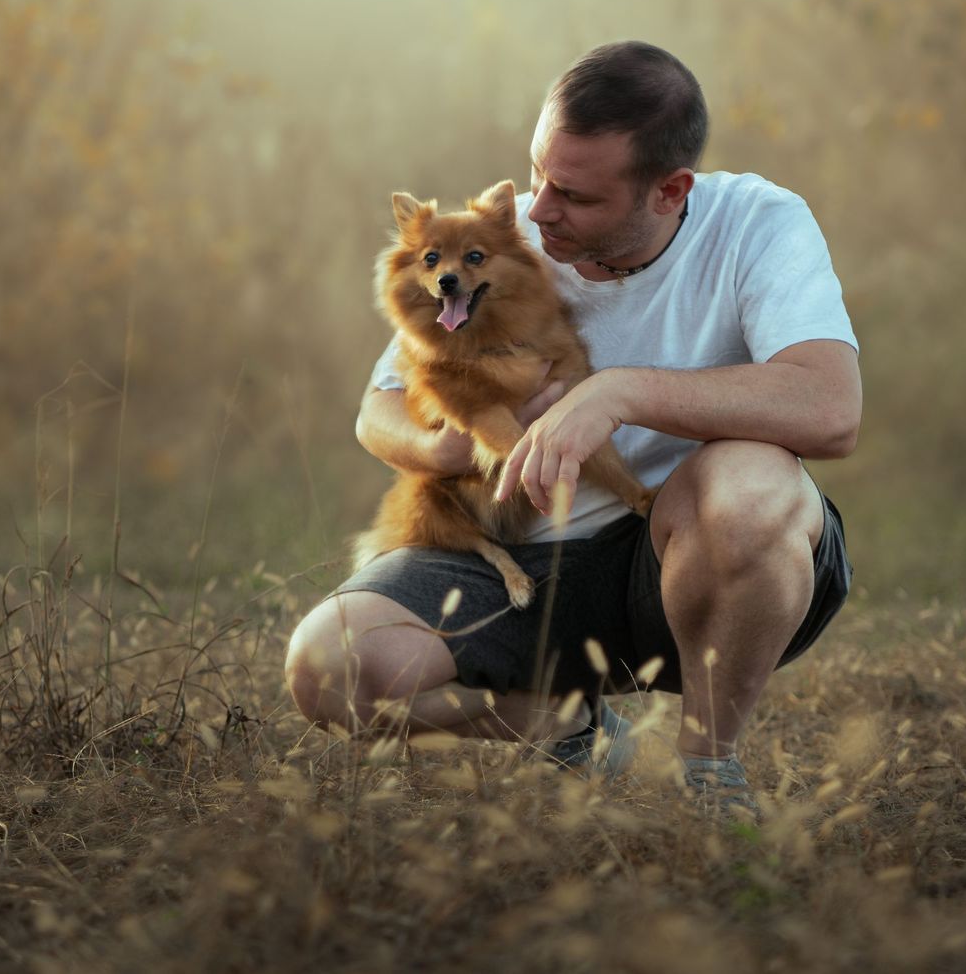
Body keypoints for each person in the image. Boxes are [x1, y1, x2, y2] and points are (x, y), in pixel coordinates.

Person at [284, 41, 861, 814]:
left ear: (670, 190)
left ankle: (708, 769)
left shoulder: (757, 225)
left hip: (675, 556)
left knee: (754, 482)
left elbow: (829, 407)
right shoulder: (504, 239)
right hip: (509, 556)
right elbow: (378, 411)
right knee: (327, 666)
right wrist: (448, 445)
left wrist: (618, 393)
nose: (541, 207)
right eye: (537, 175)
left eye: (577, 196)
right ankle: (567, 729)